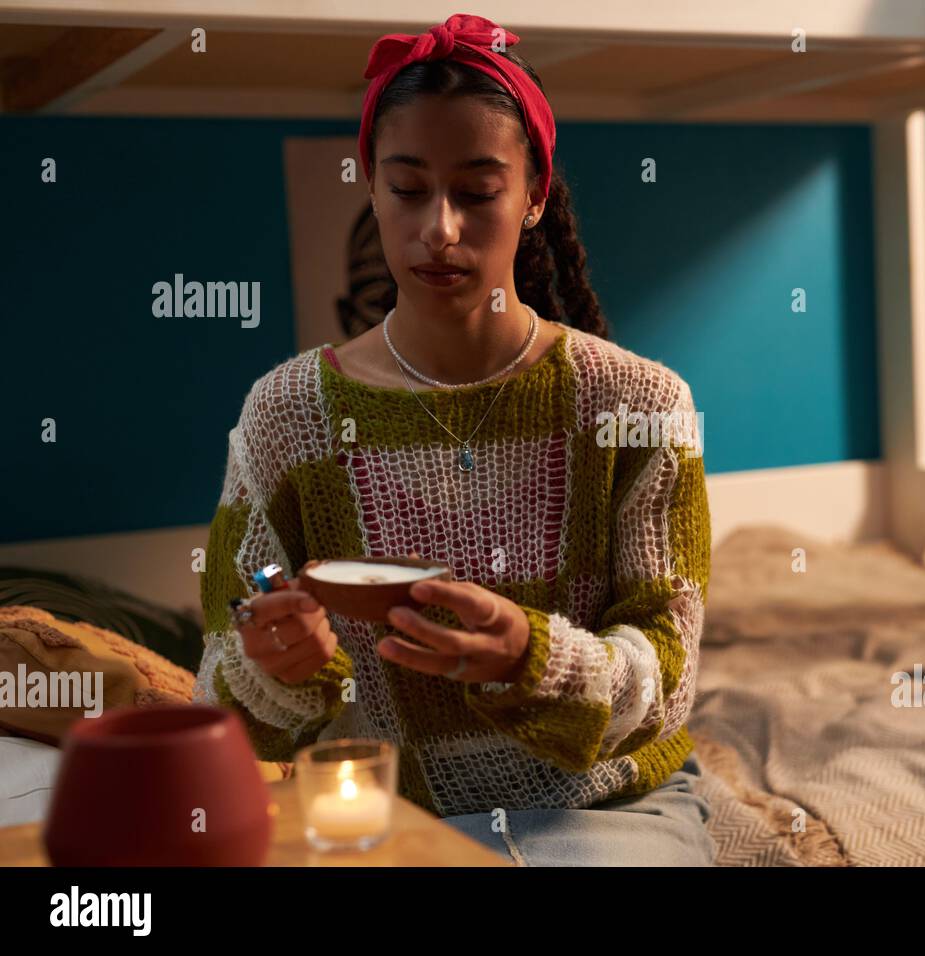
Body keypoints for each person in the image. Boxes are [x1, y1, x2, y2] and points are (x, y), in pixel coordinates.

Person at [193, 13, 715, 867]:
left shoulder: (642, 405)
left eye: (477, 192)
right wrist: (274, 668)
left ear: (535, 193)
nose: (439, 228)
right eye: (407, 188)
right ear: (369, 184)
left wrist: (529, 659)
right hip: (382, 812)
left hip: (609, 808)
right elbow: (221, 687)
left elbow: (667, 679)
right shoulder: (284, 418)